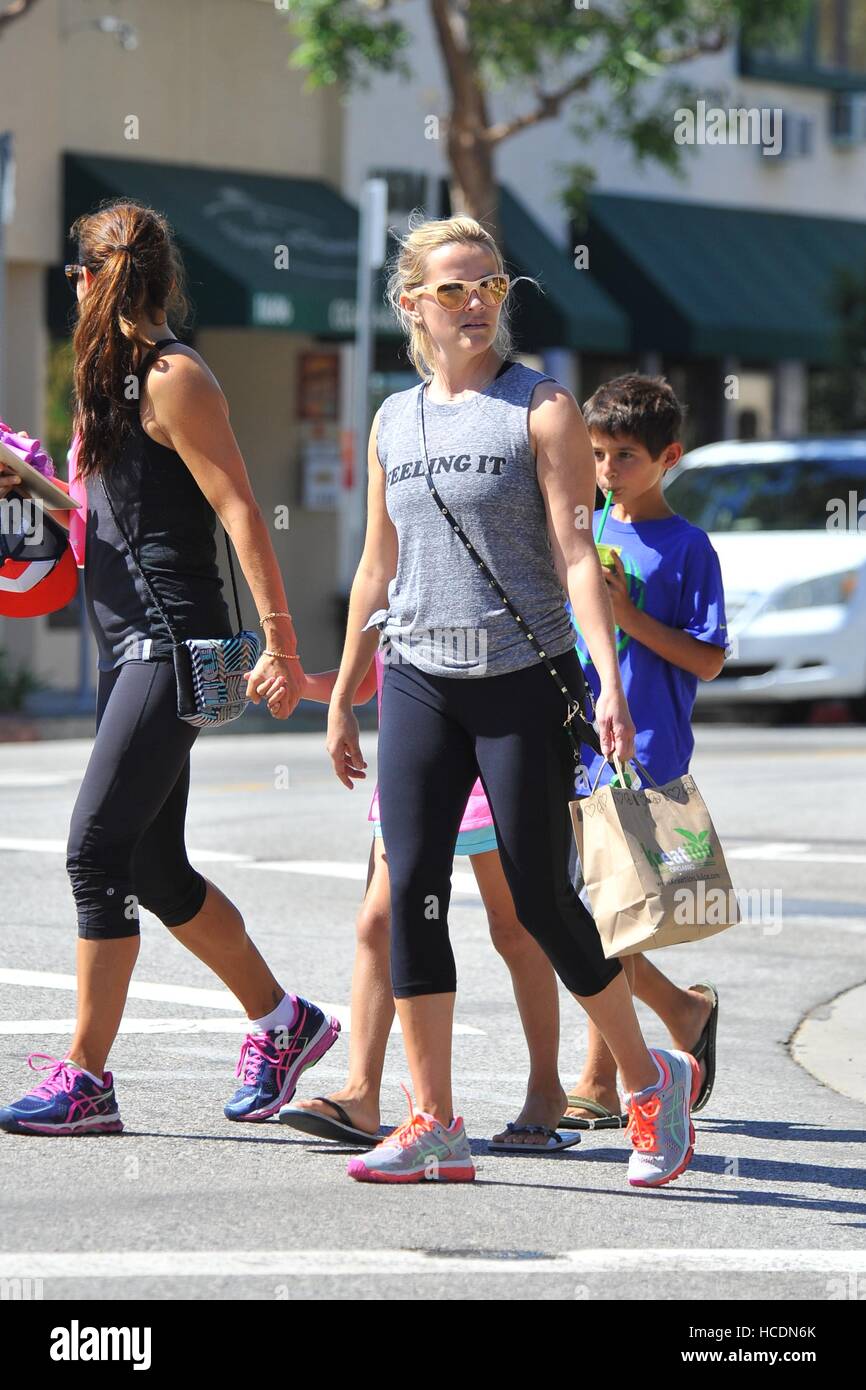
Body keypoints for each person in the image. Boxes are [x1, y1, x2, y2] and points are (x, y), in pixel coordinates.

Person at [324, 212, 701, 1187]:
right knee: (410, 888)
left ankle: (642, 1074)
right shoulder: (391, 420)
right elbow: (376, 565)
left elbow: (578, 555)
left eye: (490, 284)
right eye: (454, 287)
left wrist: (608, 682)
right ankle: (431, 1119)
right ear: (412, 305)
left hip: (521, 677)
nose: (477, 301)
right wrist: (340, 690)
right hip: (413, 673)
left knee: (540, 896)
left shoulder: (540, 410)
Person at [0, 201, 339, 1136]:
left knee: (92, 851)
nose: (72, 288)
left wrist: (280, 643)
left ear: (98, 280)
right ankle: (285, 1020)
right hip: (132, 650)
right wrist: (30, 486)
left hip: (176, 645)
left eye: (77, 274)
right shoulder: (106, 385)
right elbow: (107, 518)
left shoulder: (174, 377)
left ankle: (86, 1078)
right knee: (157, 867)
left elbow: (238, 509)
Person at [280, 647, 575, 1152]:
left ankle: (545, 1091)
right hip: (416, 744)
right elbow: (374, 658)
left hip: (487, 744)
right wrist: (317, 689)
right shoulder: (389, 570)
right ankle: (361, 1095)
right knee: (378, 921)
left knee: (513, 927)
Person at [561, 373, 727, 1129]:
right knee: (584, 909)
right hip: (575, 737)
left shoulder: (687, 546)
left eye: (625, 455)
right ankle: (681, 1013)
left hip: (647, 742)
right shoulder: (583, 532)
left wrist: (626, 613)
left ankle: (598, 1081)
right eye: (597, 453)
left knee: (613, 914)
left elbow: (708, 659)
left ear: (669, 457)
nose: (606, 470)